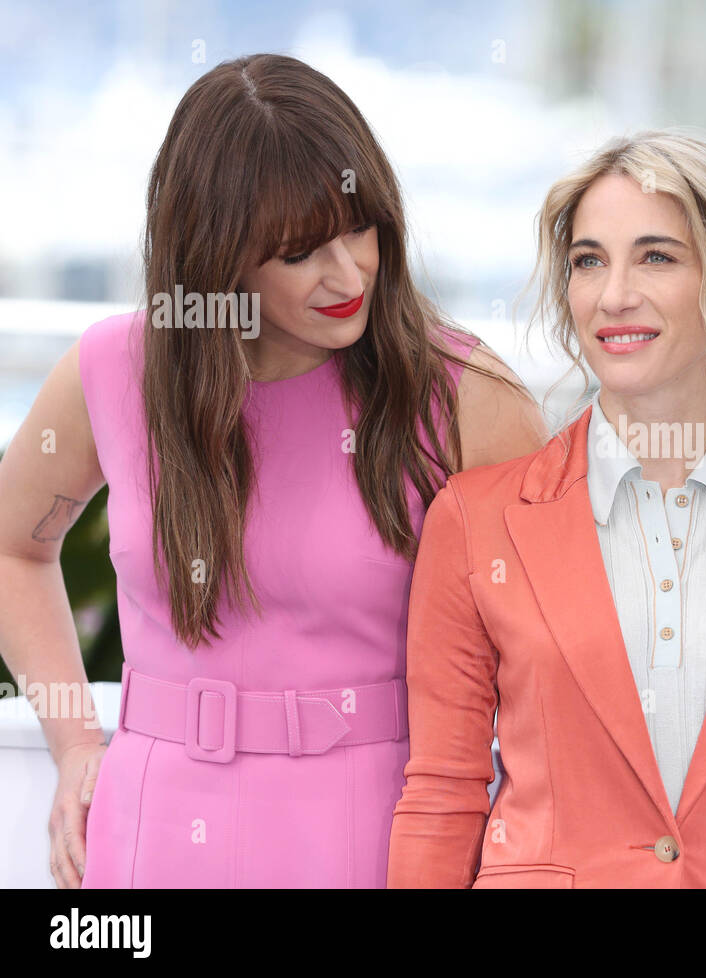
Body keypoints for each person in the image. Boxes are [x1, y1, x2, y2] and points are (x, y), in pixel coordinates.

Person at [0, 53, 545, 888]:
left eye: (360, 228)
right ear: (219, 259)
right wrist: (75, 739)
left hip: (377, 833)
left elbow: (547, 663)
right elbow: (13, 547)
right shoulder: (113, 368)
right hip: (149, 831)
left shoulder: (471, 398)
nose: (349, 273)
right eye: (299, 253)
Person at [387, 129, 706, 888]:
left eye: (655, 256)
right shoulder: (475, 519)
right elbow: (442, 794)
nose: (613, 293)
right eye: (589, 261)